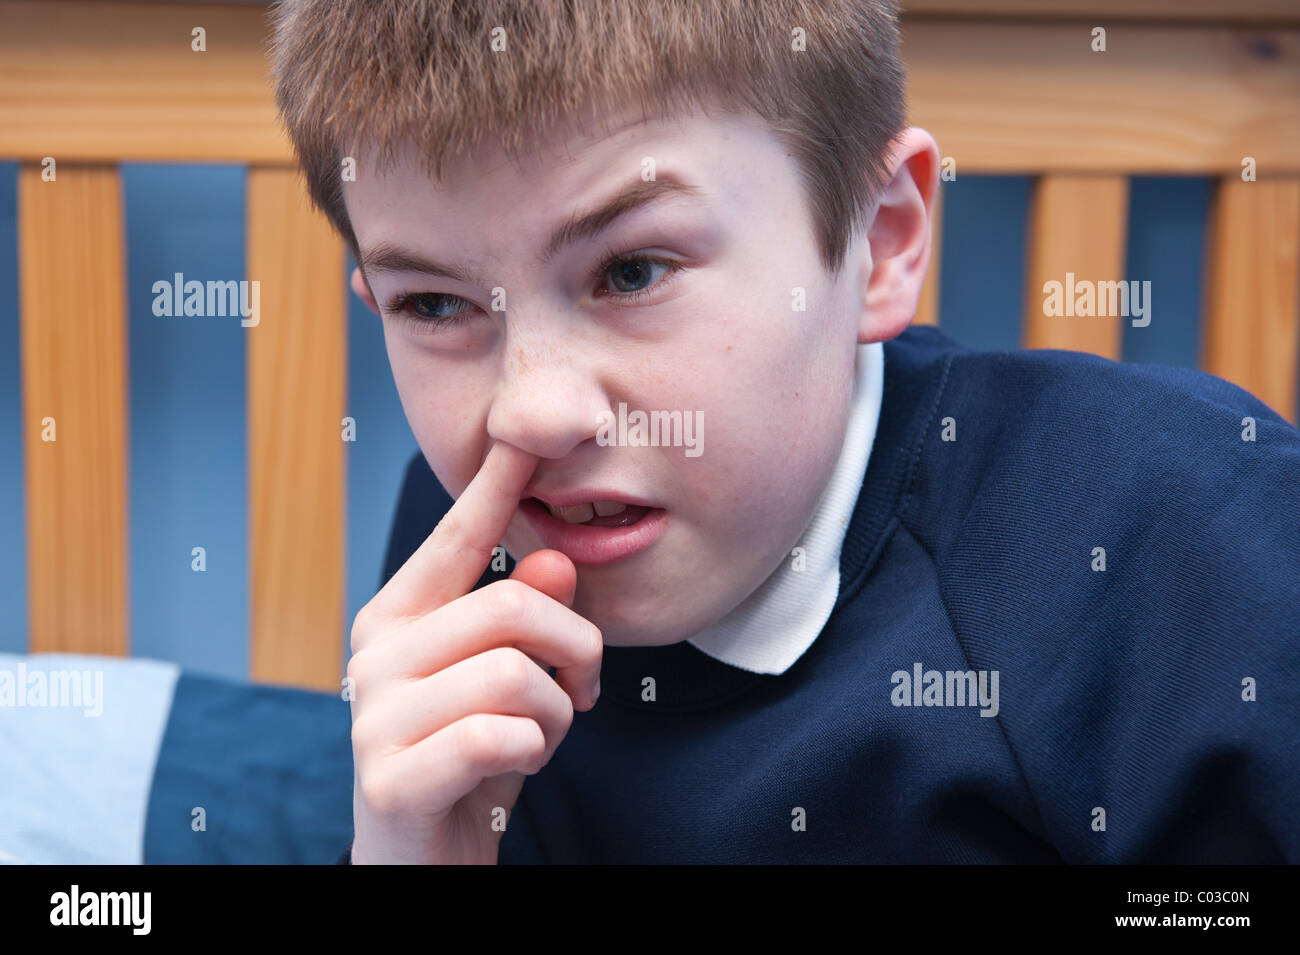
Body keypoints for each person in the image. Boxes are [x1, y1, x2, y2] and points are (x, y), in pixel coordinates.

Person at [267, 0, 1300, 863]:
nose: (529, 412)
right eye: (436, 305)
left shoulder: (1169, 524)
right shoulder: (457, 547)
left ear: (880, 242)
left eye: (631, 272)